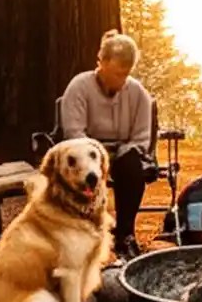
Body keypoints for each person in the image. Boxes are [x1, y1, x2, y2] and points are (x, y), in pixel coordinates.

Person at [60, 30, 155, 260]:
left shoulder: (137, 92)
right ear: (101, 63)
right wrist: (98, 156)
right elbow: (74, 133)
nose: (121, 82)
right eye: (116, 74)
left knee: (132, 169)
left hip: (124, 151)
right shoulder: (79, 87)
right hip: (88, 152)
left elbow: (142, 136)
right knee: (87, 174)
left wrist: (127, 150)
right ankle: (86, 236)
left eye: (126, 75)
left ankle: (124, 234)